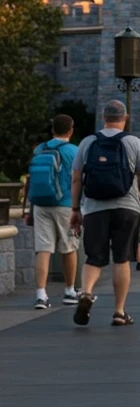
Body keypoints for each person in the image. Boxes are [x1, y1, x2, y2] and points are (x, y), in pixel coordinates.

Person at [69, 99, 140, 327]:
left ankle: (86, 293)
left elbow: (77, 178)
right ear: (125, 118)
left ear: (104, 118)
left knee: (94, 258)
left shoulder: (88, 143)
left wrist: (75, 209)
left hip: (95, 208)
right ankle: (119, 312)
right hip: (127, 208)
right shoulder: (133, 142)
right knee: (122, 258)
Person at [23, 114, 80, 309]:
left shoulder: (40, 149)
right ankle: (70, 290)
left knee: (43, 249)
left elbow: (33, 178)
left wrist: (30, 209)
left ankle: (41, 295)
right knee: (69, 247)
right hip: (64, 204)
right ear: (71, 130)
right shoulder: (74, 151)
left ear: (52, 130)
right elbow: (78, 179)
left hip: (40, 204)